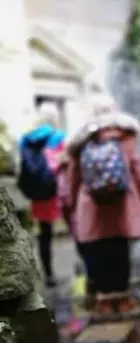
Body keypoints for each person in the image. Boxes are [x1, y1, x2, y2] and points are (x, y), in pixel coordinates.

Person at [67, 95, 140, 315]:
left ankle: (103, 302)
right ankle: (122, 300)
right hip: (122, 201)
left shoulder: (80, 141)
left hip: (90, 203)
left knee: (99, 252)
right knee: (120, 250)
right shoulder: (126, 136)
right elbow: (138, 172)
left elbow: (72, 177)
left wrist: (74, 203)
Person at [18, 103, 66, 287]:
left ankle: (49, 274)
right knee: (73, 226)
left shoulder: (26, 139)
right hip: (56, 190)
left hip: (38, 192)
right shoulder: (58, 137)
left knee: (44, 232)